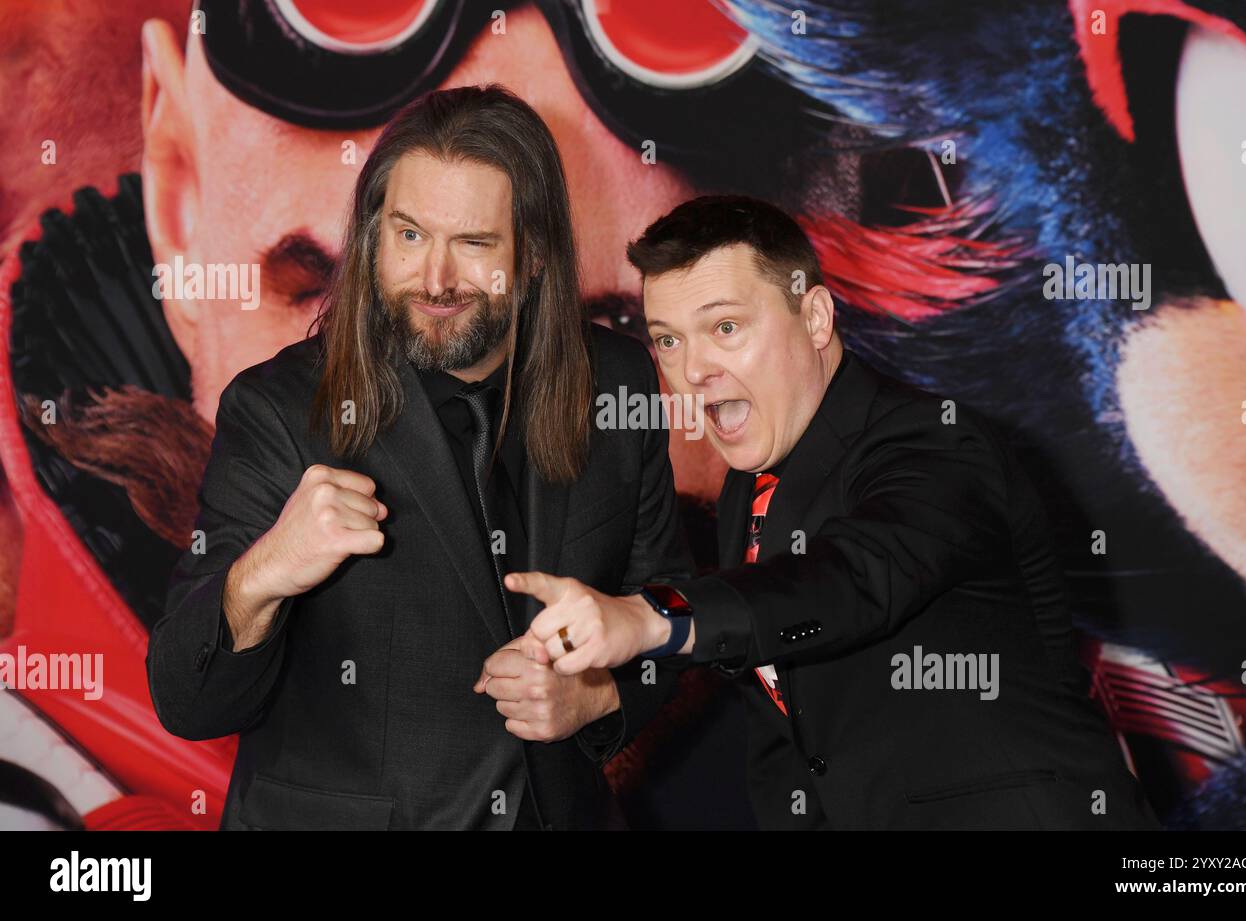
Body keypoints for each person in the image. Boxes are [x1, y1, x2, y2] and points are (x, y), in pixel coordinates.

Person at [509, 195, 1163, 830]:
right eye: (668, 340)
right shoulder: (749, 491)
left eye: (725, 328)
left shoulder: (937, 442)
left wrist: (656, 616)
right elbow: (795, 742)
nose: (693, 370)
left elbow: (850, 580)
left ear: (816, 317)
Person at [145, 85, 690, 830]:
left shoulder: (618, 383)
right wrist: (266, 571)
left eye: (472, 244)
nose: (434, 279)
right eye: (408, 236)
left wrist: (597, 696)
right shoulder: (279, 408)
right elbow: (186, 698)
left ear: (532, 257)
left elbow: (670, 606)